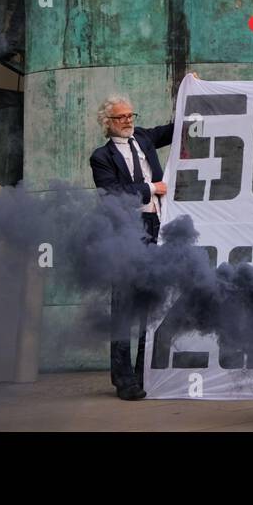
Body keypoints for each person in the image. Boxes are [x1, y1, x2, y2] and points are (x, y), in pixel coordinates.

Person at [89, 92, 177, 400]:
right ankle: (123, 380)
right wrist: (153, 187)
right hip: (126, 233)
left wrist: (190, 90)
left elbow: (174, 128)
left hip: (156, 227)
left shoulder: (143, 137)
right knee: (125, 308)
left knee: (148, 305)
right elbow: (115, 195)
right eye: (121, 117)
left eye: (130, 115)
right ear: (107, 122)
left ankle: (143, 375)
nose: (127, 121)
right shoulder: (101, 156)